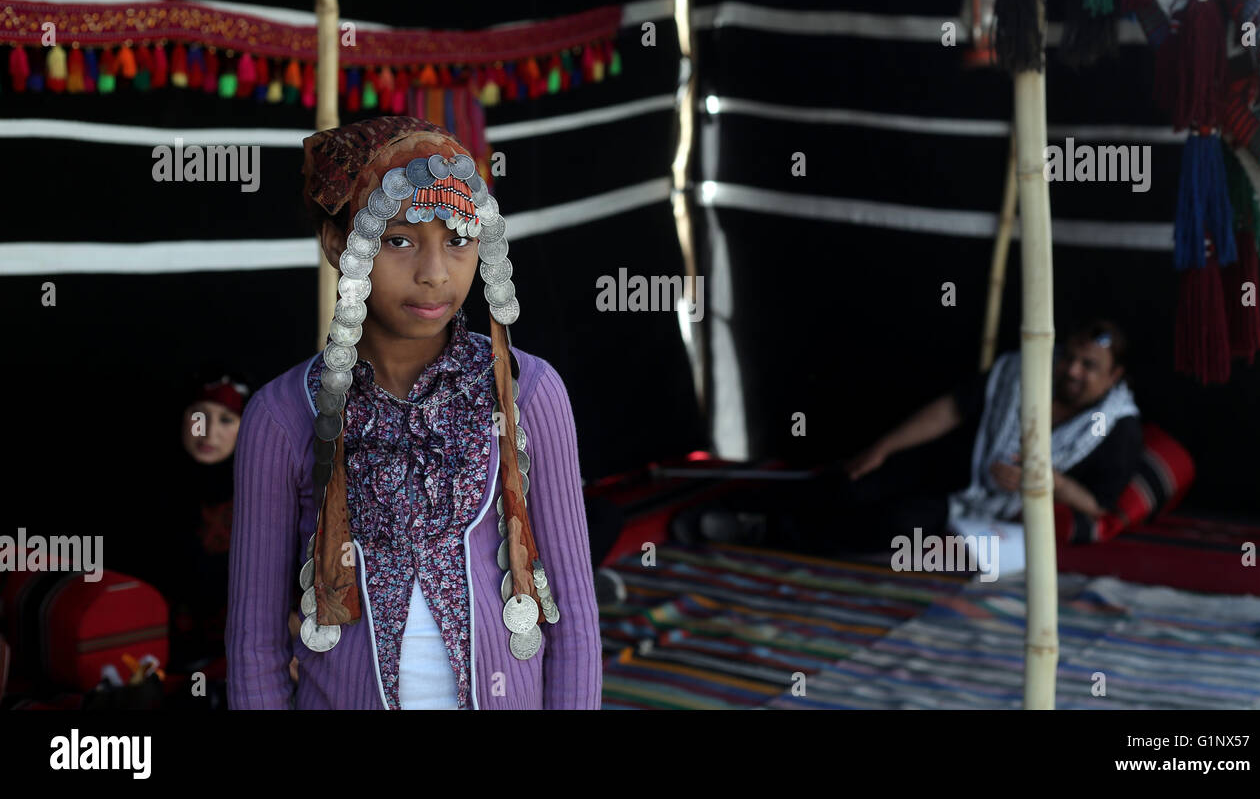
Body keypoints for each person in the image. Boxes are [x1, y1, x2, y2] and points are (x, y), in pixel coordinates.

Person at [226, 117, 601, 709]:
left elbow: (576, 620)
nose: (434, 273)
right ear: (336, 244)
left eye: (458, 239)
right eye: (399, 240)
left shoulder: (530, 394)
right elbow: (253, 647)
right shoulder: (281, 417)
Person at [683, 319, 1143, 556]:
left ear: (1115, 375)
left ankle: (761, 534)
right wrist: (884, 448)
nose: (1073, 372)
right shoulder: (1023, 371)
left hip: (982, 509)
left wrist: (1044, 479)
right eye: (1070, 359)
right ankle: (732, 504)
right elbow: (951, 408)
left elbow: (1099, 505)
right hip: (941, 466)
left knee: (900, 524)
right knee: (853, 482)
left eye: (1090, 367)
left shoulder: (1117, 427)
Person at [163, 370, 251, 671]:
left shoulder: (265, 496)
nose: (209, 432)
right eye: (199, 417)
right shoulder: (154, 493)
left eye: (226, 420)